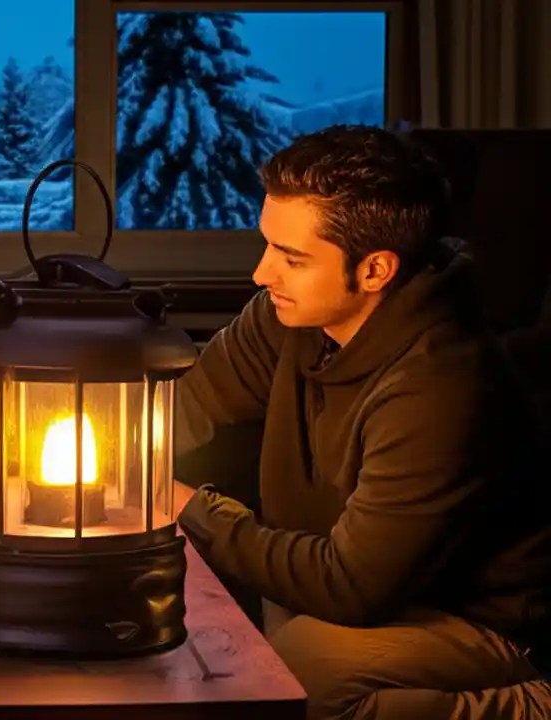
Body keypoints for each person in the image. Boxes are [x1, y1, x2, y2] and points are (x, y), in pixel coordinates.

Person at [171, 125, 551, 719]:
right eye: (268, 246)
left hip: (475, 619)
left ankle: (526, 705)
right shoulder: (289, 316)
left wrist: (188, 508)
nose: (262, 274)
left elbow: (353, 587)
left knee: (299, 670)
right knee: (223, 638)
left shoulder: (441, 384)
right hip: (341, 579)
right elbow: (187, 409)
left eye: (292, 258)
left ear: (375, 270)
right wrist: (98, 459)